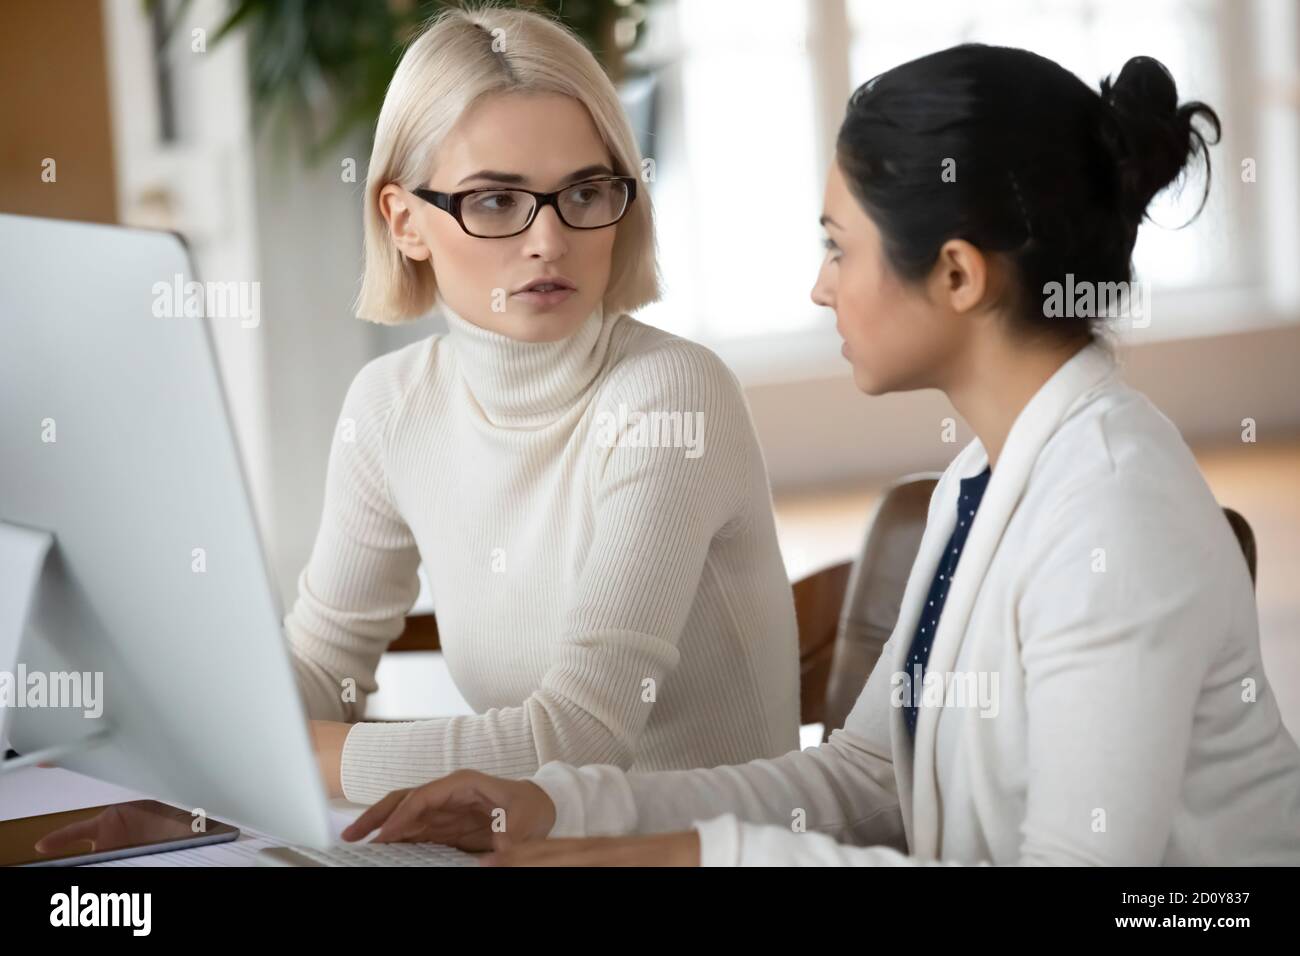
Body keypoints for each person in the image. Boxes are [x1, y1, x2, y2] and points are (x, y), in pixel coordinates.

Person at [341, 45, 1300, 866]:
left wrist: (696, 854)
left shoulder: (1113, 514)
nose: (817, 287)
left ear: (958, 275)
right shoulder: (988, 478)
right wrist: (557, 809)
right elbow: (866, 777)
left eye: (840, 248)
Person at [286, 6, 800, 806]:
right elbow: (321, 664)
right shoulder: (389, 406)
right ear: (404, 220)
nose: (549, 242)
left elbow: (578, 738)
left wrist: (302, 758)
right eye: (496, 202)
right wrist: (205, 755)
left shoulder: (673, 396)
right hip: (530, 849)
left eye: (585, 192)